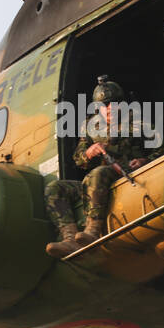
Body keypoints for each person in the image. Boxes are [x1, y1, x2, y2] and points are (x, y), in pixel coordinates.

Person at [44, 75, 147, 258]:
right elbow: (78, 159)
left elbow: (163, 146)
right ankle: (69, 239)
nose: (109, 109)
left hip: (124, 174)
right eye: (104, 106)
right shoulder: (91, 127)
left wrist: (143, 161)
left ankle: (92, 231)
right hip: (96, 182)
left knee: (98, 173)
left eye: (113, 104)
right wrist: (89, 153)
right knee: (54, 188)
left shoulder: (137, 122)